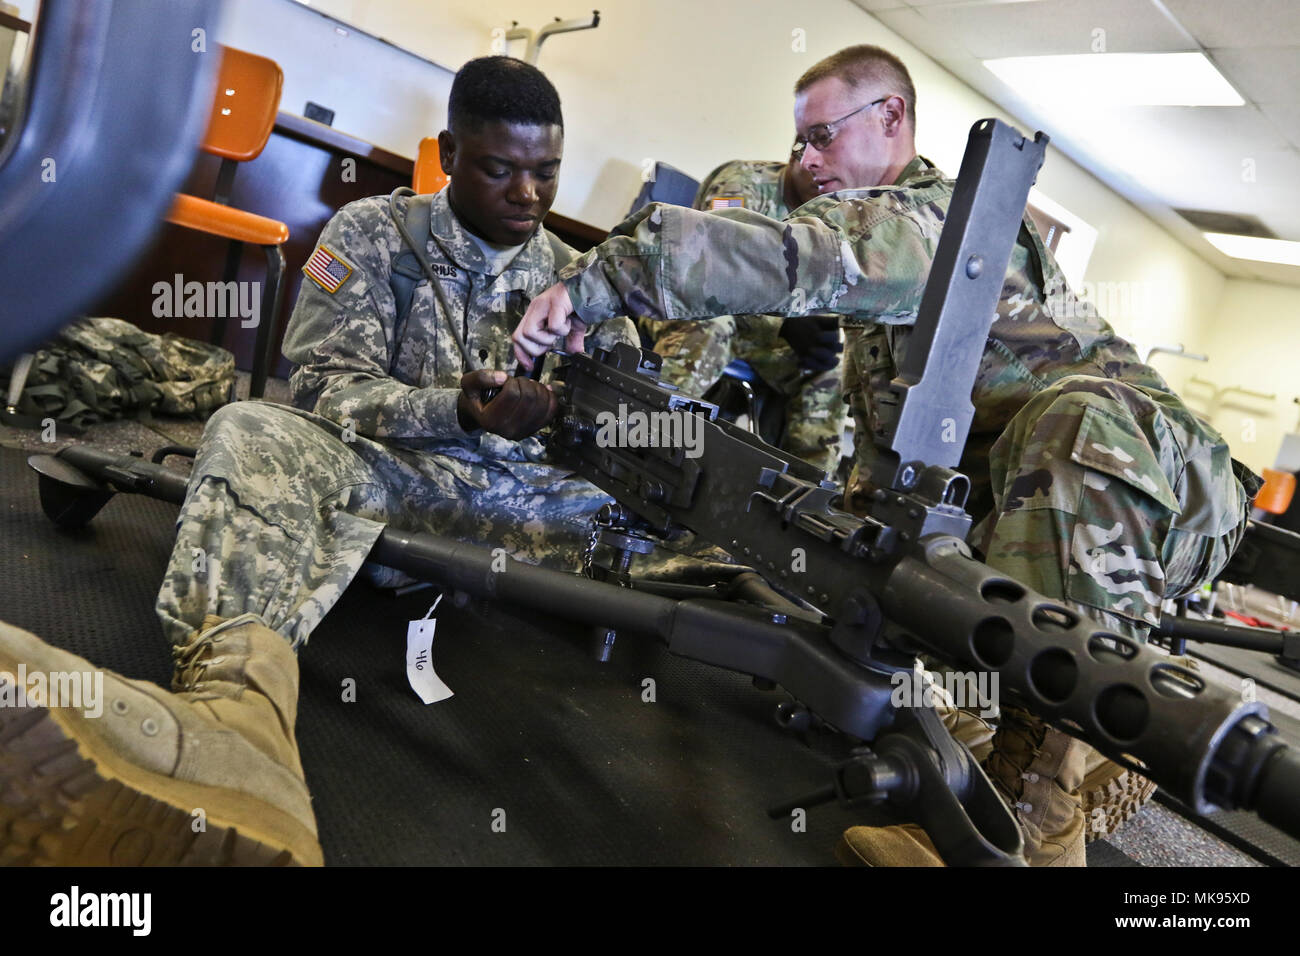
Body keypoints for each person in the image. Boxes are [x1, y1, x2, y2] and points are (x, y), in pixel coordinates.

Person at [511, 45, 1257, 867]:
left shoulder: (935, 224)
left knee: (1078, 424)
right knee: (889, 531)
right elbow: (886, 473)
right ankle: (1001, 729)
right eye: (799, 142)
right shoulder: (892, 284)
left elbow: (793, 256)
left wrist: (598, 279)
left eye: (822, 136)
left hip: (1163, 485)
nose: (806, 160)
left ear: (891, 116)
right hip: (1041, 488)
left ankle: (1039, 821)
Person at [0, 56, 635, 866]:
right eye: (500, 169)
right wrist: (457, 409)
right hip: (396, 478)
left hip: (534, 507)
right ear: (449, 153)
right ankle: (239, 724)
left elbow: (625, 434)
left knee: (675, 524)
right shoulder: (373, 234)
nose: (529, 195)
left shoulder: (584, 283)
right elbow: (325, 387)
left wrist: (574, 418)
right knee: (251, 427)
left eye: (547, 172)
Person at [642, 152, 845, 474]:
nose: (829, 184)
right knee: (711, 327)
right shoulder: (740, 186)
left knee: (830, 371)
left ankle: (806, 487)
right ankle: (643, 444)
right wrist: (783, 324)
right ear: (799, 154)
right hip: (682, 303)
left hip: (757, 333)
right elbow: (711, 270)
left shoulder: (828, 214)